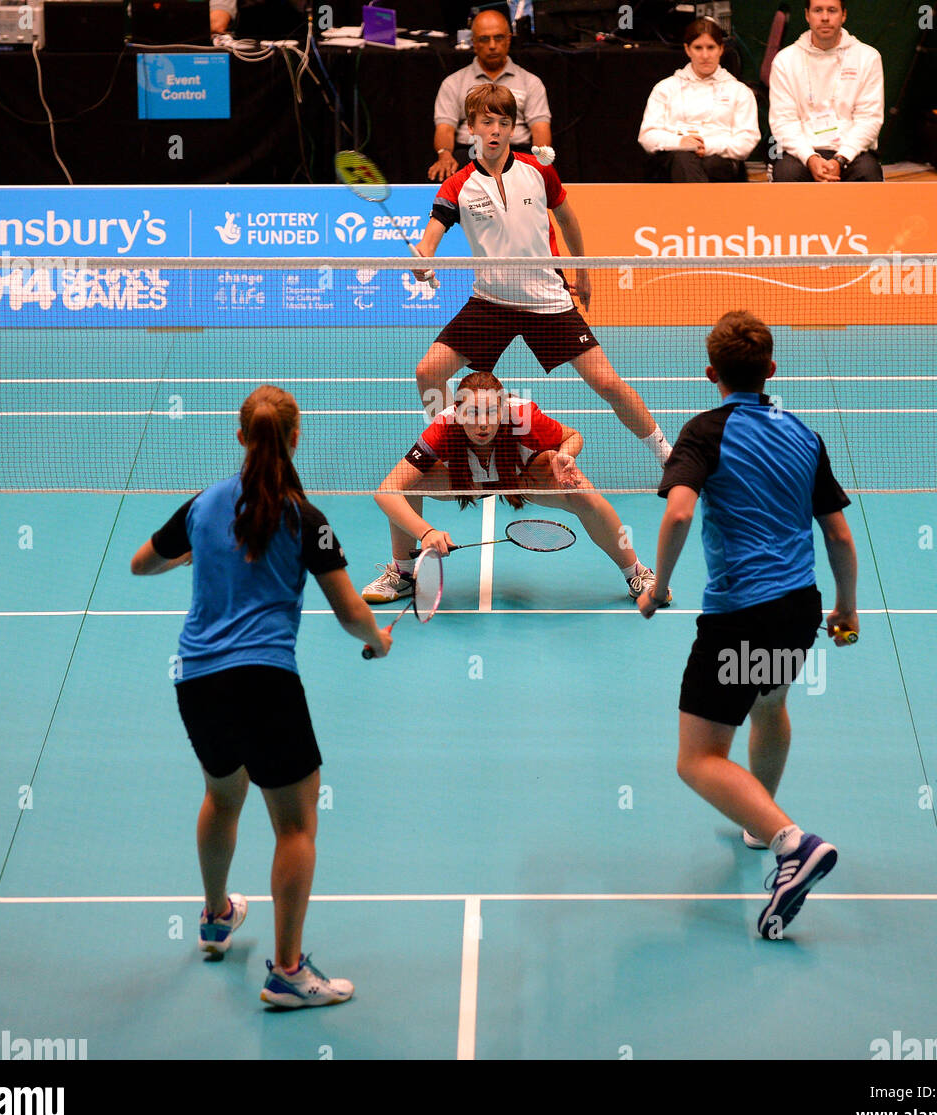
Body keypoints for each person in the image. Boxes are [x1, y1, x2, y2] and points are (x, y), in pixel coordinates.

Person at [130, 385, 391, 1006]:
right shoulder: (305, 518)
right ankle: (288, 972)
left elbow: (142, 563)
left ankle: (218, 917)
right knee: (296, 824)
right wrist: (378, 641)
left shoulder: (202, 505)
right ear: (295, 439)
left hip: (196, 680)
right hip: (265, 680)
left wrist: (196, 549)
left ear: (240, 436)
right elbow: (352, 612)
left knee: (223, 796)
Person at [637, 311, 858, 939]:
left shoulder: (704, 433)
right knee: (768, 705)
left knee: (696, 759)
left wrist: (657, 586)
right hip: (799, 610)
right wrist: (846, 606)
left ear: (712, 374)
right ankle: (760, 825)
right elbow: (837, 532)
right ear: (771, 371)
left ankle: (791, 841)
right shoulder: (803, 434)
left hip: (741, 615)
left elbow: (679, 516)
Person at [414, 82, 674, 477]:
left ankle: (666, 456)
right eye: (487, 122)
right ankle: (456, 445)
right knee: (428, 373)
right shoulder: (458, 186)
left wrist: (582, 272)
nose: (496, 130)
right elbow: (429, 239)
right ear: (471, 127)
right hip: (491, 303)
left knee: (608, 384)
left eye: (504, 122)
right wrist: (421, 262)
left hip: (547, 301)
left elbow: (568, 219)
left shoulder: (538, 170)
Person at [362, 370, 659, 602]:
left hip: (521, 479)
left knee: (578, 486)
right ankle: (403, 574)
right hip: (465, 482)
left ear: (503, 409)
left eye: (491, 412)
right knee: (409, 484)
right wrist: (425, 532)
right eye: (473, 413)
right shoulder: (443, 426)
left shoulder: (523, 417)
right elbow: (386, 490)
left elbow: (573, 435)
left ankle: (637, 574)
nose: (482, 424)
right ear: (457, 411)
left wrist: (565, 457)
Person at [768, 0, 884, 181]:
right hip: (801, 153)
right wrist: (810, 157)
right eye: (817, 10)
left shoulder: (868, 57)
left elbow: (870, 119)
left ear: (844, 15)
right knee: (786, 175)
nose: (824, 17)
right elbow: (783, 122)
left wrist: (841, 159)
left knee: (868, 173)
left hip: (851, 153)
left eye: (832, 10)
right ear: (807, 15)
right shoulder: (785, 61)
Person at [429, 9, 552, 181]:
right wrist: (444, 155)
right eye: (484, 39)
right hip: (470, 153)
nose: (492, 45)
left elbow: (540, 128)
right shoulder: (453, 83)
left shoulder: (531, 82)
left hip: (516, 153)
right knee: (443, 173)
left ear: (509, 39)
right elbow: (445, 127)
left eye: (499, 37)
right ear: (474, 42)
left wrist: (540, 163)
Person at [637, 18, 759, 182]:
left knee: (707, 164)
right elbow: (647, 136)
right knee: (683, 159)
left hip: (720, 160)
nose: (705, 55)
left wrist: (707, 146)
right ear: (687, 50)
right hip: (673, 158)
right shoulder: (665, 88)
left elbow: (746, 141)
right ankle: (703, 207)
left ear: (721, 49)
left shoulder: (739, 91)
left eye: (711, 47)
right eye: (698, 48)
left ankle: (694, 206)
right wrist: (680, 142)